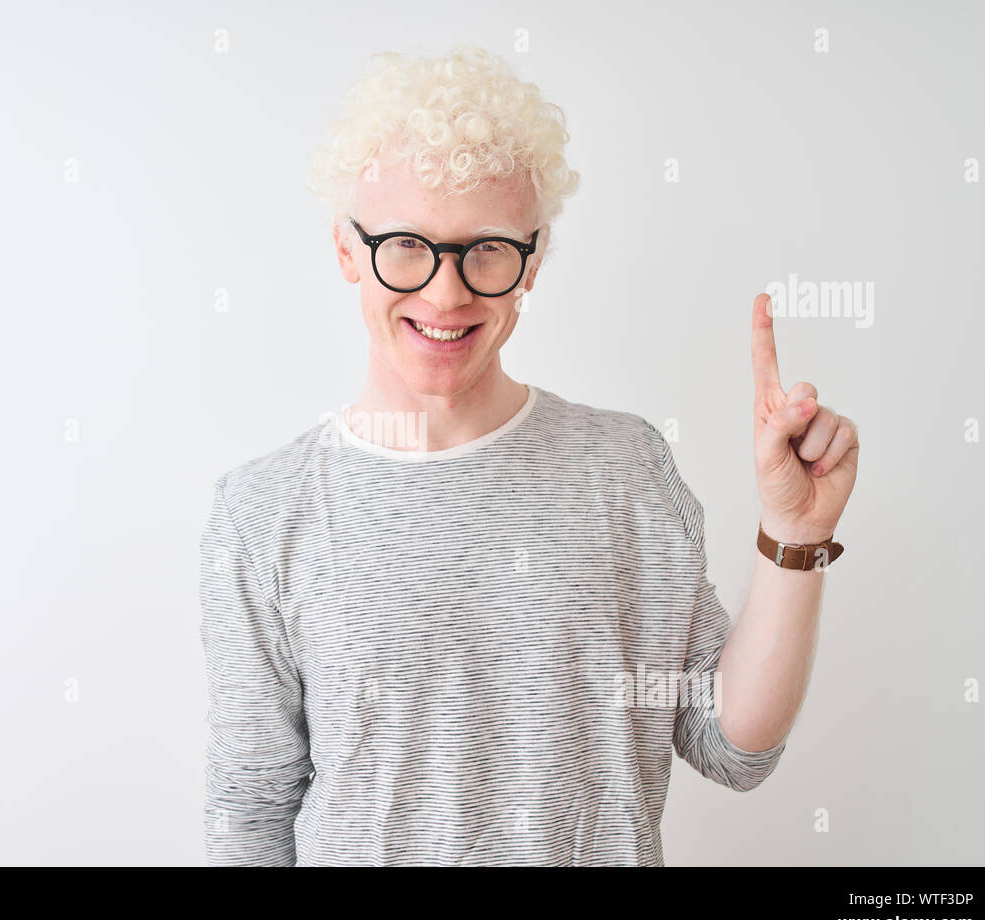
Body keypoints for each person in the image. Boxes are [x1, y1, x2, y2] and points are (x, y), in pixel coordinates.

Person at [198, 44, 860, 866]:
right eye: (406, 245)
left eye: (486, 249)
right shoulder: (262, 511)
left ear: (533, 261)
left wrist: (793, 536)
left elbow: (730, 744)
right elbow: (254, 812)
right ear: (346, 250)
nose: (446, 293)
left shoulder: (623, 467)